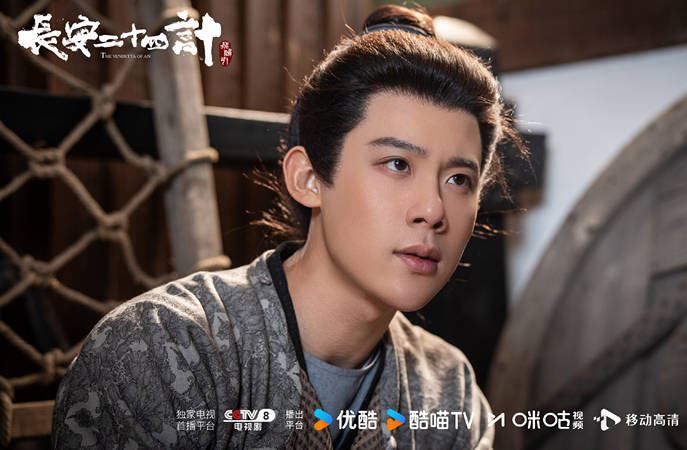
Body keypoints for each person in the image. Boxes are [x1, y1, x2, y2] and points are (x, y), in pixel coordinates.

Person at [52, 5, 523, 449]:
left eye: (459, 180)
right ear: (309, 179)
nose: (433, 210)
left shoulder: (448, 391)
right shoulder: (162, 348)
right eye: (397, 164)